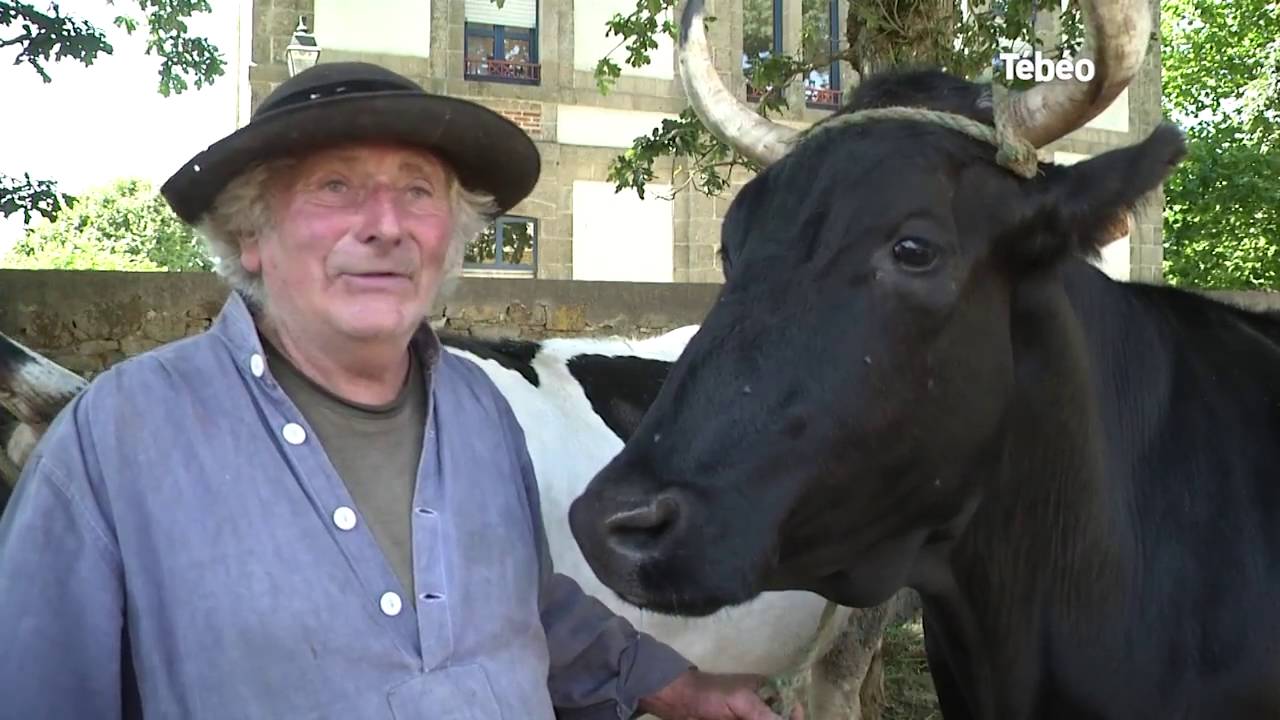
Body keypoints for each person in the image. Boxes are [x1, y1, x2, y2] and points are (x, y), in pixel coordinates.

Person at [0, 62, 801, 720]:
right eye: (336, 187)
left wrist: (678, 686)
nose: (386, 224)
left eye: (419, 189)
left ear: (452, 235)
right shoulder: (116, 440)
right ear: (249, 235)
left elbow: (522, 608)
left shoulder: (483, 413)